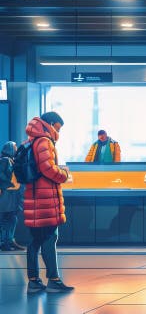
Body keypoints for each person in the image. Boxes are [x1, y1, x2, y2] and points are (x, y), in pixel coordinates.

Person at [23, 112, 73, 293]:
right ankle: (53, 280)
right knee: (50, 238)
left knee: (35, 240)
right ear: (51, 124)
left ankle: (34, 281)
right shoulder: (44, 141)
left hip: (34, 197)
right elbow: (47, 168)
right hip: (44, 200)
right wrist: (64, 174)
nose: (58, 132)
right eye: (58, 128)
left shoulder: (30, 140)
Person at [0, 141, 25, 251]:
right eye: (14, 147)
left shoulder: (10, 160)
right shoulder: (5, 160)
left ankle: (9, 240)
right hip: (6, 194)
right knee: (7, 218)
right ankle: (6, 242)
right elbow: (1, 175)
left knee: (11, 218)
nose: (16, 149)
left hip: (11, 194)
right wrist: (7, 183)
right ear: (9, 148)